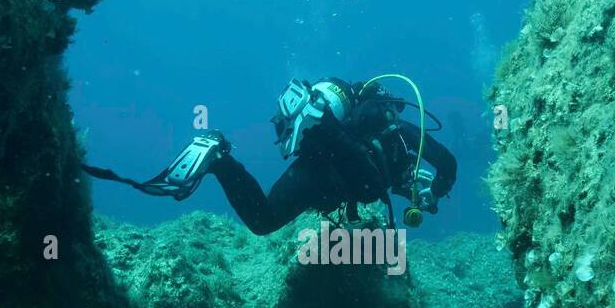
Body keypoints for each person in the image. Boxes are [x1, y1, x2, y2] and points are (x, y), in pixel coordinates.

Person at [81, 76, 457, 234]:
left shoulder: (368, 129)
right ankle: (219, 160)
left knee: (263, 216)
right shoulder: (403, 134)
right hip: (333, 174)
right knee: (371, 189)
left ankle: (218, 157)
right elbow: (449, 165)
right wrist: (436, 191)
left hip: (315, 161)